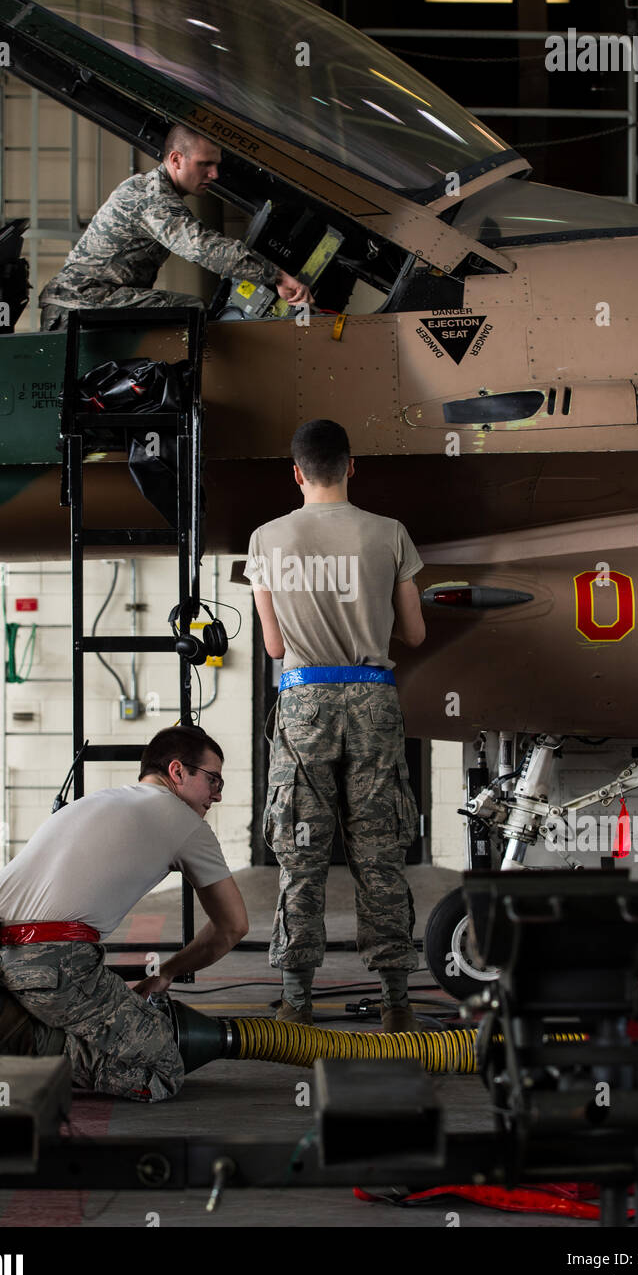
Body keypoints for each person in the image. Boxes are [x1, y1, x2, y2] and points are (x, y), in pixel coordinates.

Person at [0, 726, 247, 1103]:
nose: (217, 795)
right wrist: (168, 972)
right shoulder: (187, 824)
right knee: (163, 1070)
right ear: (177, 771)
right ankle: (24, 1038)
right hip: (46, 962)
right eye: (213, 779)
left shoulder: (96, 801)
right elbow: (232, 927)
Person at [244, 420, 427, 1033]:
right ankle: (397, 1000)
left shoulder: (267, 539)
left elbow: (272, 646)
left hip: (303, 701)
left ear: (296, 473)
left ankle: (297, 1000)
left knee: (301, 854)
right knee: (380, 853)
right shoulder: (389, 532)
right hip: (374, 699)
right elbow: (416, 634)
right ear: (353, 467)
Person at [39, 124, 312, 329]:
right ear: (176, 160)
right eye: (204, 164)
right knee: (191, 311)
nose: (214, 175)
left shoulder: (155, 192)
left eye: (216, 165)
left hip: (84, 300)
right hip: (78, 303)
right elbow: (202, 247)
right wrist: (275, 275)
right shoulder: (151, 197)